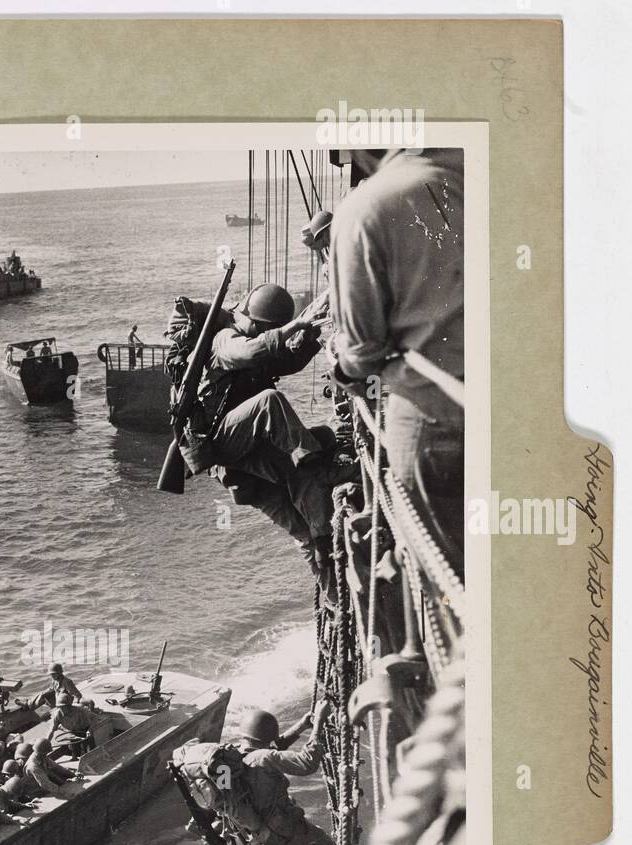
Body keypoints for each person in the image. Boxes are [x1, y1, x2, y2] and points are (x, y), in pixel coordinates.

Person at [329, 148, 464, 580]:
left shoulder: (366, 207)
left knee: (447, 587)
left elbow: (363, 351)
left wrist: (342, 366)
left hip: (436, 423)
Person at [197, 282, 352, 578]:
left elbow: (285, 360)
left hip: (244, 465)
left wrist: (307, 337)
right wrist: (292, 327)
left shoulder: (253, 337)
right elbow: (251, 353)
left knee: (305, 523)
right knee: (271, 402)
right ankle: (321, 470)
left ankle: (328, 584)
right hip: (223, 442)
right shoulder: (225, 339)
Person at [237, 704, 336, 845]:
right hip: (282, 829)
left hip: (261, 831)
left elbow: (273, 749)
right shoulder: (264, 758)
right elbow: (307, 763)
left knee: (286, 834)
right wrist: (319, 724)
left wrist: (301, 726)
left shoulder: (237, 757)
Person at [48, 691, 94, 758]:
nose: (62, 709)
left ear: (69, 706)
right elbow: (51, 731)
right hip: (73, 732)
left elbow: (93, 719)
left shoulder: (80, 710)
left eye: (64, 707)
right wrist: (47, 743)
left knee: (90, 750)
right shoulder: (57, 715)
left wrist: (89, 730)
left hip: (86, 730)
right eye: (60, 707)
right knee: (75, 751)